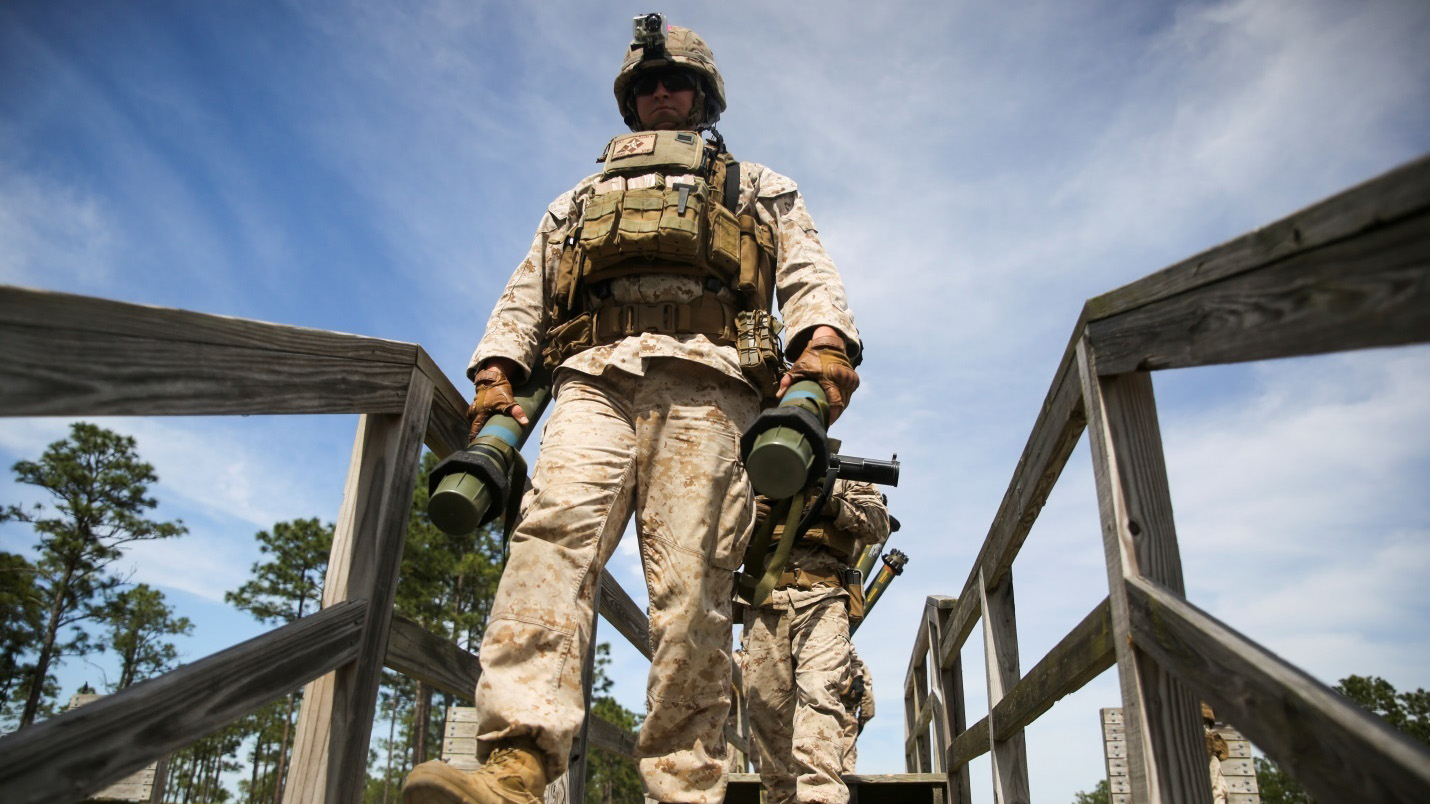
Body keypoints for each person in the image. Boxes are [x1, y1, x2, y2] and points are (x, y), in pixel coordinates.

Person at [402, 15, 862, 804]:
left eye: (676, 81)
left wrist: (822, 350)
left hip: (708, 385)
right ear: (630, 100)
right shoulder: (577, 200)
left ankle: (683, 788)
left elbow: (811, 278)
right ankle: (517, 763)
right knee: (549, 546)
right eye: (647, 84)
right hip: (592, 382)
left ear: (702, 97)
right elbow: (526, 296)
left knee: (692, 592)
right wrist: (496, 375)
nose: (661, 93)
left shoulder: (753, 186)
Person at [741, 479, 889, 804]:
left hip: (824, 597)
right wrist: (746, 510)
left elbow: (879, 525)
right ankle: (783, 797)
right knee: (766, 710)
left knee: (821, 692)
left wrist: (832, 506)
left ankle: (820, 797)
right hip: (764, 602)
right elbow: (709, 523)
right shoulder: (754, 470)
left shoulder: (843, 476)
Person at [839, 648, 874, 774]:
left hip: (816, 712)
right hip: (848, 714)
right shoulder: (858, 667)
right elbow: (868, 699)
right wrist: (862, 721)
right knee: (846, 765)